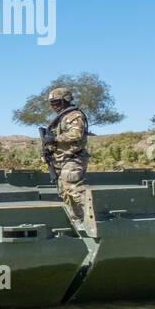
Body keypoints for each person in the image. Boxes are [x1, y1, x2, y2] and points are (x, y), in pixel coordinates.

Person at [42, 86, 97, 235]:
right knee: (65, 191)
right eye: (52, 102)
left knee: (73, 186)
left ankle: (93, 218)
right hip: (61, 159)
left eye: (57, 102)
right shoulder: (60, 119)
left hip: (74, 157)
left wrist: (55, 138)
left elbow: (76, 134)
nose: (54, 105)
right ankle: (78, 221)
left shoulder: (73, 115)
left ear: (66, 100)